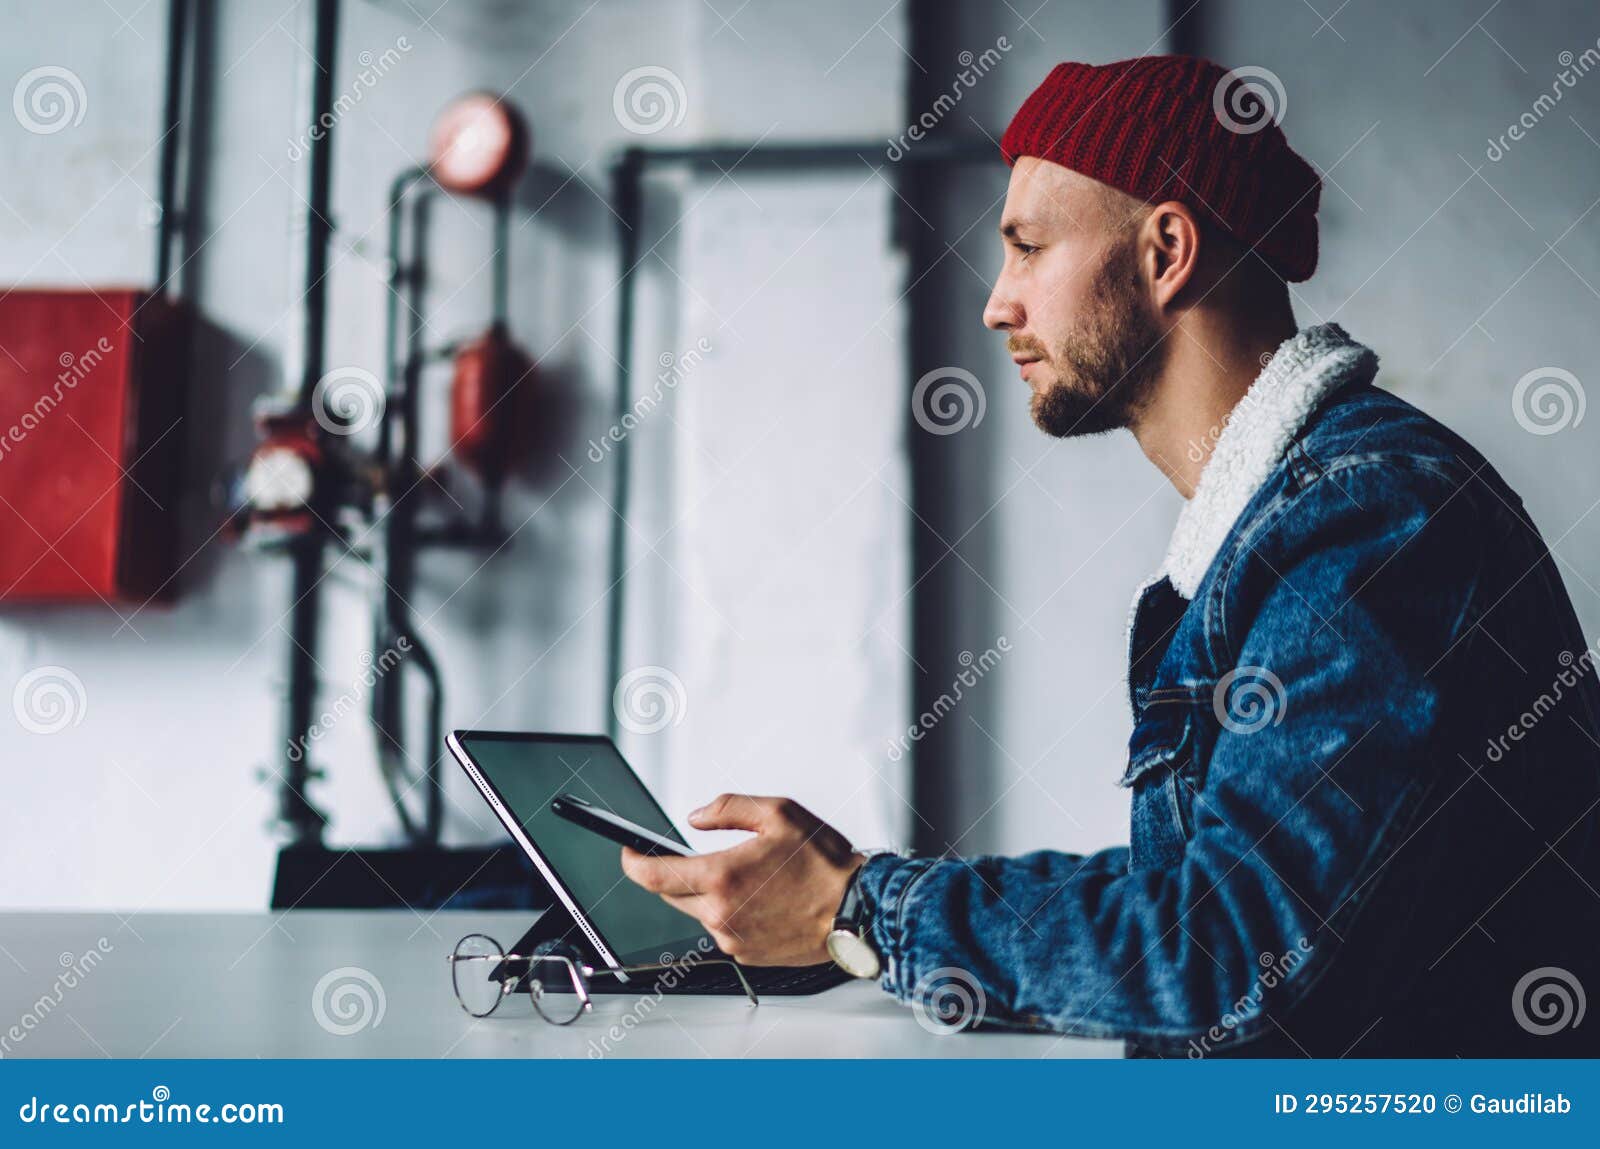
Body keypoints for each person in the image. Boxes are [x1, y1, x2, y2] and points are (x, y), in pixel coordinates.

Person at [622, 55, 1600, 1057]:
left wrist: (864, 912)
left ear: (1165, 252)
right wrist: (850, 898)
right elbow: (1197, 901)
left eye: (1028, 248)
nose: (999, 303)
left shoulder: (1369, 521)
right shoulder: (1279, 527)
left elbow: (1227, 951)